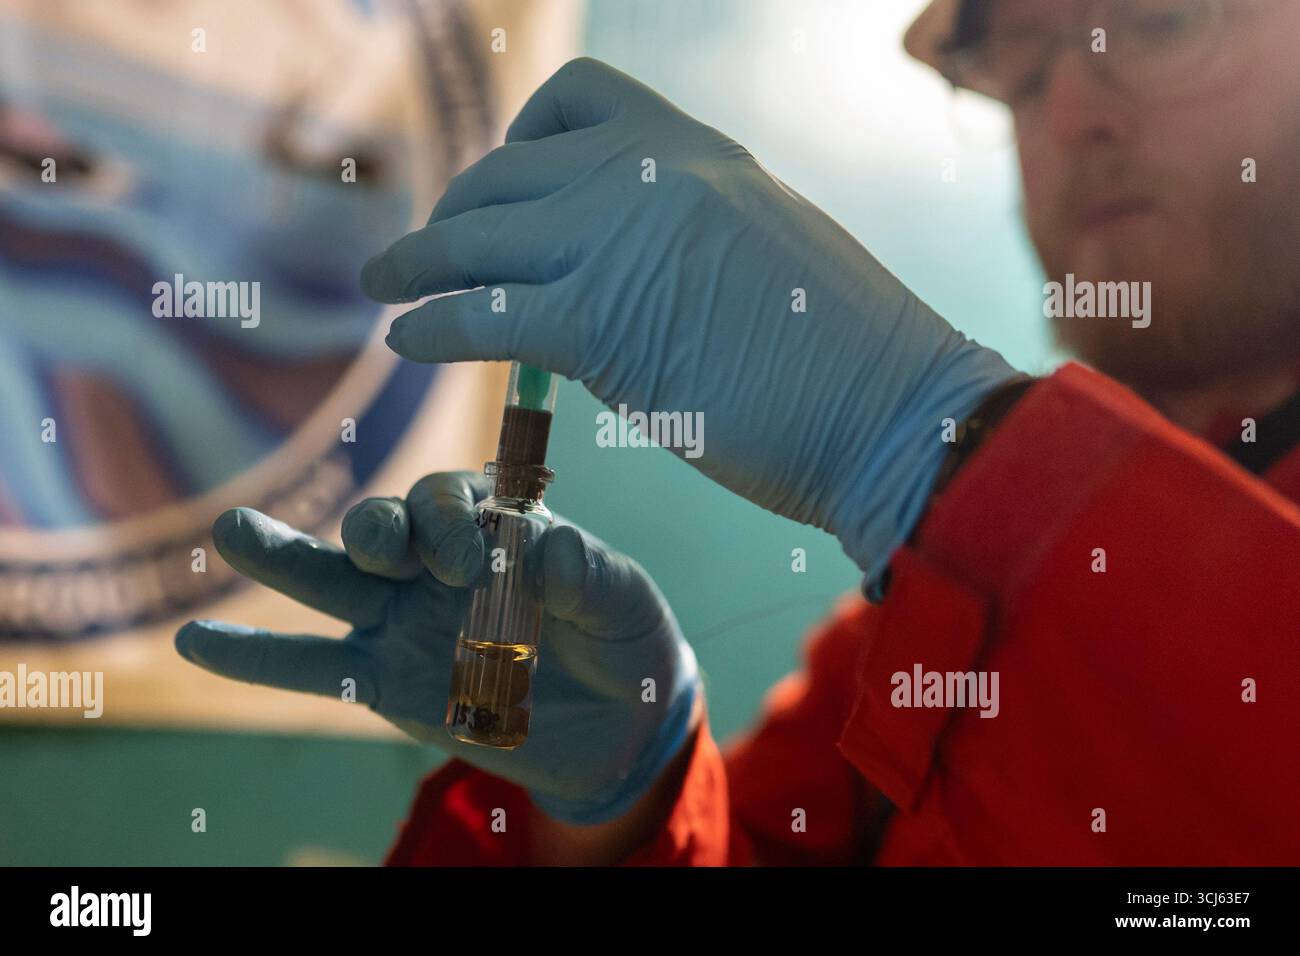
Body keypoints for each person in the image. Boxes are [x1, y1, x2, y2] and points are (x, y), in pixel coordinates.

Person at [175, 0, 1300, 865]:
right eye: (1022, 69)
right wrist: (625, 804)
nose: (1066, 118)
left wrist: (929, 442)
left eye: (1160, 20)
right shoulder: (914, 625)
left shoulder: (949, 560)